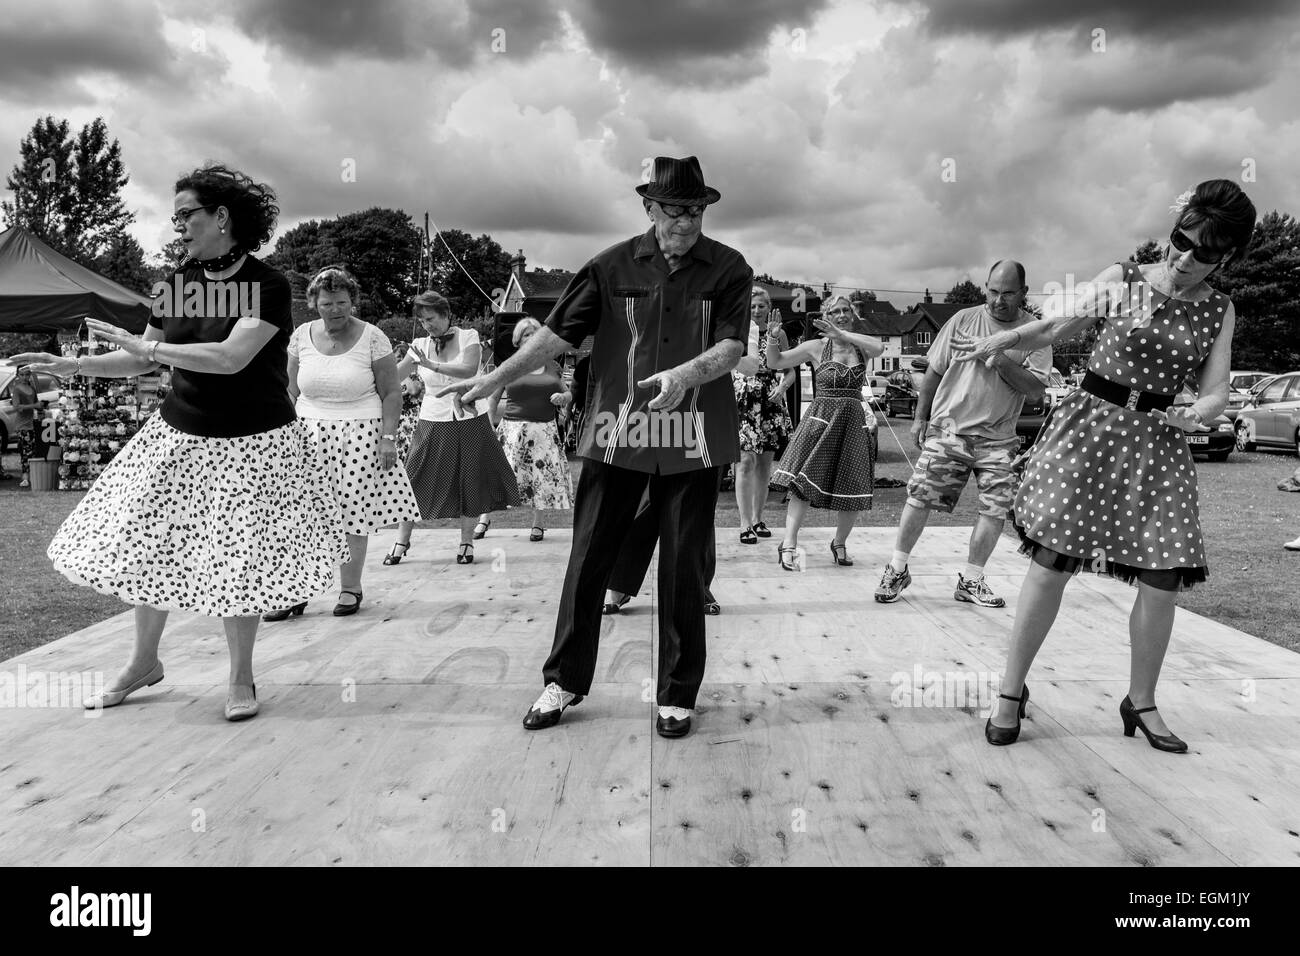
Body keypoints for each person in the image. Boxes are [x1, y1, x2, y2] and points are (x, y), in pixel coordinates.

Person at [9, 162, 349, 721]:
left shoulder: (265, 285)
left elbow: (229, 358)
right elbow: (140, 355)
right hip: (179, 433)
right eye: (174, 218)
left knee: (240, 559)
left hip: (253, 441)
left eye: (186, 214)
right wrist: (71, 363)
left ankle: (241, 677)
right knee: (148, 542)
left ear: (222, 217)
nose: (178, 227)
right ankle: (144, 662)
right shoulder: (181, 281)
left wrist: (149, 351)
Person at [440, 155, 751, 738]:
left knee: (684, 569)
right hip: (619, 431)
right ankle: (564, 681)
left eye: (696, 210)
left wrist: (683, 376)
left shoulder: (729, 268)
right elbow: (557, 334)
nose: (685, 221)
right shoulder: (609, 266)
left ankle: (677, 694)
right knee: (588, 561)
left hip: (693, 435)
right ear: (649, 208)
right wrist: (495, 378)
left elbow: (732, 347)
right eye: (674, 209)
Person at [961, 179, 1256, 751]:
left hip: (1159, 444)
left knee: (1164, 576)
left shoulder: (1220, 308)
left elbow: (1217, 390)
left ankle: (1140, 701)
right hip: (1092, 431)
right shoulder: (1123, 280)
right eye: (1181, 240)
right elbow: (1054, 325)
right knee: (1052, 562)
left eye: (1207, 252)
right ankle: (1011, 691)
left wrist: (1198, 412)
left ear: (1230, 256)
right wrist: (1003, 341)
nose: (1186, 257)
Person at [874, 261, 1051, 607]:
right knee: (920, 497)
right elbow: (935, 371)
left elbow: (1034, 390)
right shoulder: (962, 320)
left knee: (995, 510)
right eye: (993, 291)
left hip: (999, 439)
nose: (999, 300)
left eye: (1008, 293)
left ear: (1024, 293)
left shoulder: (1035, 332)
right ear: (986, 288)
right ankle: (897, 568)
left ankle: (972, 580)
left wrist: (997, 357)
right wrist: (919, 418)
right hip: (949, 430)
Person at [263, 266, 421, 620]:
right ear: (314, 303)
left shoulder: (373, 337)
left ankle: (350, 588)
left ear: (352, 301)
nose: (334, 310)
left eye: (342, 302)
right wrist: (279, 434)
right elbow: (289, 390)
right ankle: (294, 592)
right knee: (298, 516)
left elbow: (392, 391)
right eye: (327, 303)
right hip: (307, 434)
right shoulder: (301, 336)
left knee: (351, 515)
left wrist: (388, 438)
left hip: (359, 434)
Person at [381, 291, 518, 566]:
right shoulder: (418, 343)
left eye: (430, 319)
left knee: (471, 479)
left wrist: (431, 364)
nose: (427, 325)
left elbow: (469, 370)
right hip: (433, 419)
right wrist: (375, 370)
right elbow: (393, 376)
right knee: (414, 477)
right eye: (422, 321)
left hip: (469, 418)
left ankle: (466, 543)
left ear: (445, 314)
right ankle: (401, 540)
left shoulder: (469, 337)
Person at [766, 295, 884, 569]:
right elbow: (776, 362)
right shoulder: (817, 346)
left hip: (852, 422)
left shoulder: (861, 346)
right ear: (826, 316)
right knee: (803, 482)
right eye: (835, 311)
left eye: (845, 310)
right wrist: (773, 338)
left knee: (852, 485)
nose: (841, 314)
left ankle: (840, 542)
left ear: (852, 315)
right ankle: (789, 544)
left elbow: (878, 348)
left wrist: (844, 334)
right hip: (821, 419)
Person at [486, 317, 574, 541]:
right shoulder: (510, 365)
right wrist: (488, 423)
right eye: (526, 334)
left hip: (544, 431)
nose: (531, 337)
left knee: (541, 478)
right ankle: (484, 519)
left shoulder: (552, 365)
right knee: (497, 476)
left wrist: (563, 397)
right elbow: (493, 398)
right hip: (513, 430)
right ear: (518, 339)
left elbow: (568, 394)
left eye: (535, 333)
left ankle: (538, 524)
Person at [732, 286, 795, 543]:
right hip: (743, 403)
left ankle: (758, 518)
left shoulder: (777, 335)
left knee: (764, 465)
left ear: (769, 309)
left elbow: (790, 371)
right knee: (744, 462)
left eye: (761, 306)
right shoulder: (737, 333)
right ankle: (744, 522)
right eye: (752, 306)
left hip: (770, 403)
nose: (756, 311)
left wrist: (782, 387)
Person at [9, 365, 42, 488]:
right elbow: (17, 407)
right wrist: (34, 405)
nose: (24, 377)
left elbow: (38, 405)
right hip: (22, 426)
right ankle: (25, 478)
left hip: (31, 424)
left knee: (31, 451)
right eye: (22, 374)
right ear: (17, 375)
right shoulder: (17, 389)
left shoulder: (32, 388)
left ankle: (30, 477)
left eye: (27, 374)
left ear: (30, 375)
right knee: (26, 452)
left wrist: (41, 408)